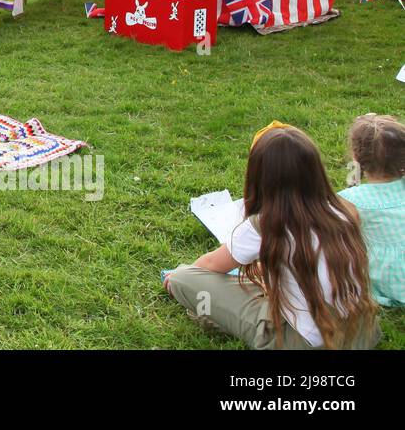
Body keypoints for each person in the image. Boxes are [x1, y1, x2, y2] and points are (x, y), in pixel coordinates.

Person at [163, 123, 381, 349]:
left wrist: (183, 281)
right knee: (255, 281)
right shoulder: (345, 210)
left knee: (182, 278)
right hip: (361, 333)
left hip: (300, 342)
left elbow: (209, 265)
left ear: (259, 176)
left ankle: (209, 315)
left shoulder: (268, 222)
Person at [340, 113, 405, 307]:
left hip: (391, 281)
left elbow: (340, 242)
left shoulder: (350, 200)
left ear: (356, 158)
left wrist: (354, 176)